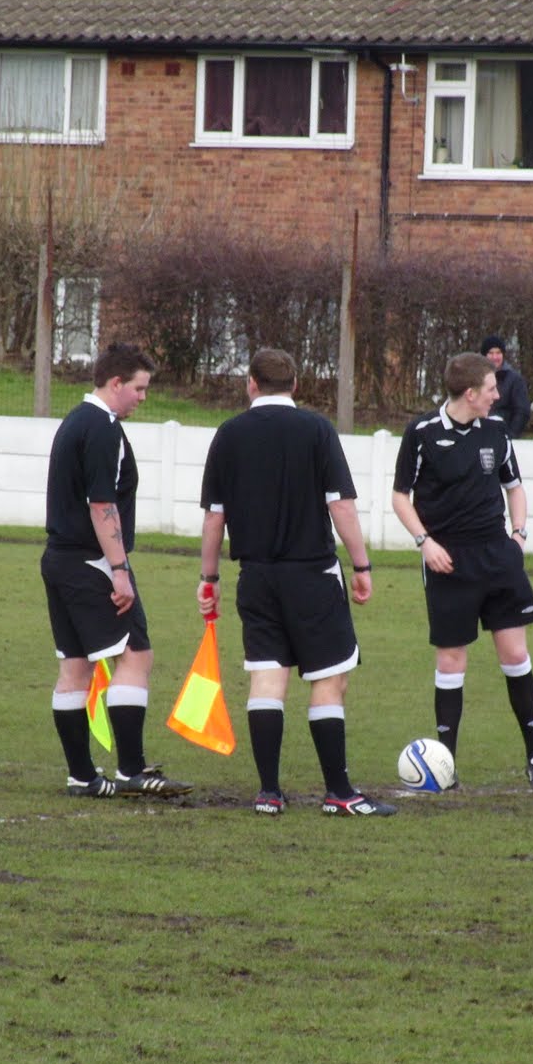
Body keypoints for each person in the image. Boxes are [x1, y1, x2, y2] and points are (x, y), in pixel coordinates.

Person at [196, 348, 395, 818]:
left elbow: (214, 518)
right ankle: (339, 793)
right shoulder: (317, 429)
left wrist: (209, 577)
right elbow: (340, 506)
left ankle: (268, 792)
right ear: (296, 385)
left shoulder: (229, 434)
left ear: (250, 384)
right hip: (311, 575)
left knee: (267, 678)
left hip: (256, 576)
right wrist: (362, 566)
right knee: (328, 680)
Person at [392, 351, 533, 793]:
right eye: (490, 389)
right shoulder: (422, 433)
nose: (497, 396)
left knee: (516, 656)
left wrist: (518, 536)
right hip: (448, 560)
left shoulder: (497, 431)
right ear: (470, 393)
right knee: (452, 659)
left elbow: (514, 487)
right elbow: (400, 497)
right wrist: (425, 544)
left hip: (498, 558)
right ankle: (446, 764)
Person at [43, 342, 192, 799]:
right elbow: (101, 504)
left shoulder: (74, 420)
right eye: (139, 388)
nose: (143, 398)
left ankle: (82, 777)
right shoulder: (103, 428)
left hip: (59, 560)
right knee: (135, 656)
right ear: (115, 383)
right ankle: (130, 770)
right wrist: (120, 569)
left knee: (75, 667)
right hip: (92, 563)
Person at [480, 334, 531, 439]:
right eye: (491, 353)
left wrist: (510, 435)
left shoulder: (515, 379)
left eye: (498, 353)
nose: (495, 357)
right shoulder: (475, 377)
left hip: (503, 435)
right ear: (484, 355)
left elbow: (522, 411)